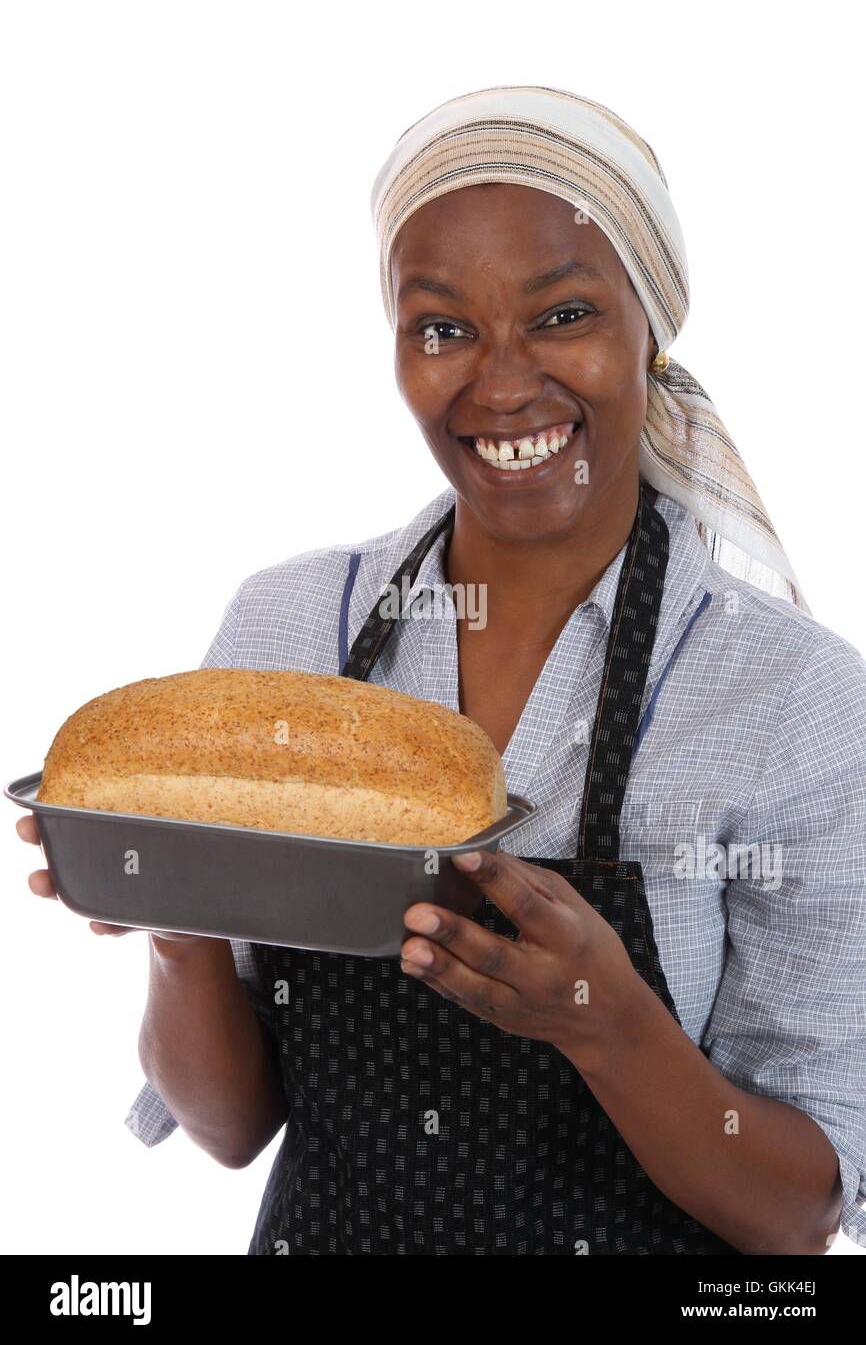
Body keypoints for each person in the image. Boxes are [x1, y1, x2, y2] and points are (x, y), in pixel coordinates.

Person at [19, 86, 866, 1255]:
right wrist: (178, 916)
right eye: (440, 327)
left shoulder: (792, 702)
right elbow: (228, 1129)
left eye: (561, 313)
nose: (501, 382)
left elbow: (801, 1212)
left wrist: (606, 1024)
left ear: (648, 330)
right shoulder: (292, 627)